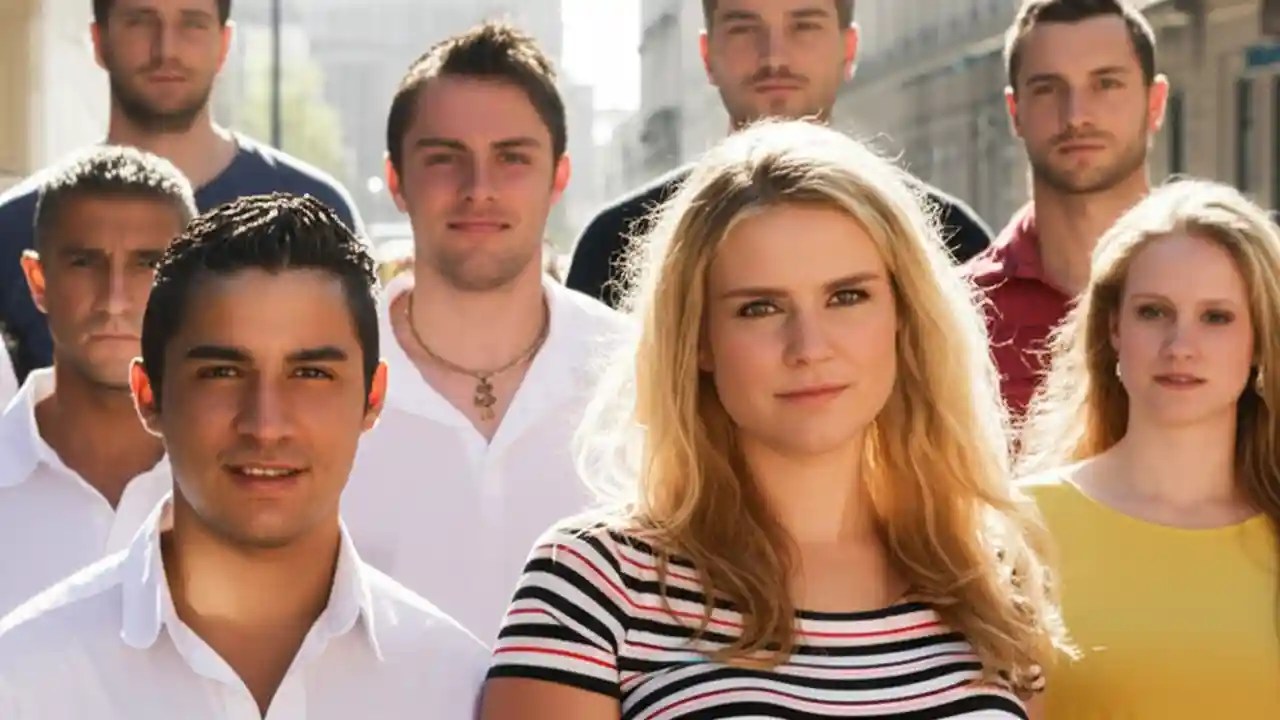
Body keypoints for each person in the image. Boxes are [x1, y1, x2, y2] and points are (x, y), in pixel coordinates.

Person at [481, 120, 1065, 719]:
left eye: (847, 297)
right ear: (699, 340)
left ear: (903, 314)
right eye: (759, 308)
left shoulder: (988, 582)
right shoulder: (592, 586)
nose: (808, 346)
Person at [0, 194, 488, 719]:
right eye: (222, 373)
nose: (266, 424)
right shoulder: (22, 680)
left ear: (372, 397)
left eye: (310, 374)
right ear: (149, 396)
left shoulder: (457, 687)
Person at [341, 22, 628, 643]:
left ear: (559, 176)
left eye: (512, 157)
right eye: (444, 158)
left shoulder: (640, 376)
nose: (479, 189)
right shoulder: (322, 377)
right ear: (396, 181)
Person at [1016, 180, 1280, 717]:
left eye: (1217, 317)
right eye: (1154, 312)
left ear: (1260, 340)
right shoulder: (1022, 526)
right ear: (1114, 327)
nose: (1180, 347)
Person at [0, 0, 363, 385]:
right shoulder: (16, 226)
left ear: (224, 44)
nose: (166, 49)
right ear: (99, 40)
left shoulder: (314, 211)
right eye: (141, 22)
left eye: (192, 24)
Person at [567, 0, 993, 309]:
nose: (774, 56)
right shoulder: (617, 246)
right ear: (707, 55)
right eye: (743, 27)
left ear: (848, 49)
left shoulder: (950, 240)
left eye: (803, 25)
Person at [0, 146, 193, 617]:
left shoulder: (248, 483)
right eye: (85, 263)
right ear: (38, 280)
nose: (114, 299)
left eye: (147, 264)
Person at [967, 0, 1166, 416]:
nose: (1076, 116)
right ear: (1014, 112)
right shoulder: (957, 316)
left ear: (1155, 103)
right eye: (1047, 88)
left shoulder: (1233, 299)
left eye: (1106, 84)